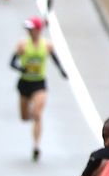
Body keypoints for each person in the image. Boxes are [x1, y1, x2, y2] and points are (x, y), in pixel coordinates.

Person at [11, 17, 67, 161]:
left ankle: (36, 146)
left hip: (39, 83)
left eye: (31, 29)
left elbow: (55, 59)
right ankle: (31, 114)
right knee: (24, 117)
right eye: (28, 29)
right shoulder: (22, 44)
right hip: (24, 83)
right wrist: (20, 67)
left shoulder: (46, 45)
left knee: (37, 114)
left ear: (37, 30)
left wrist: (62, 71)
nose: (29, 31)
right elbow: (11, 62)